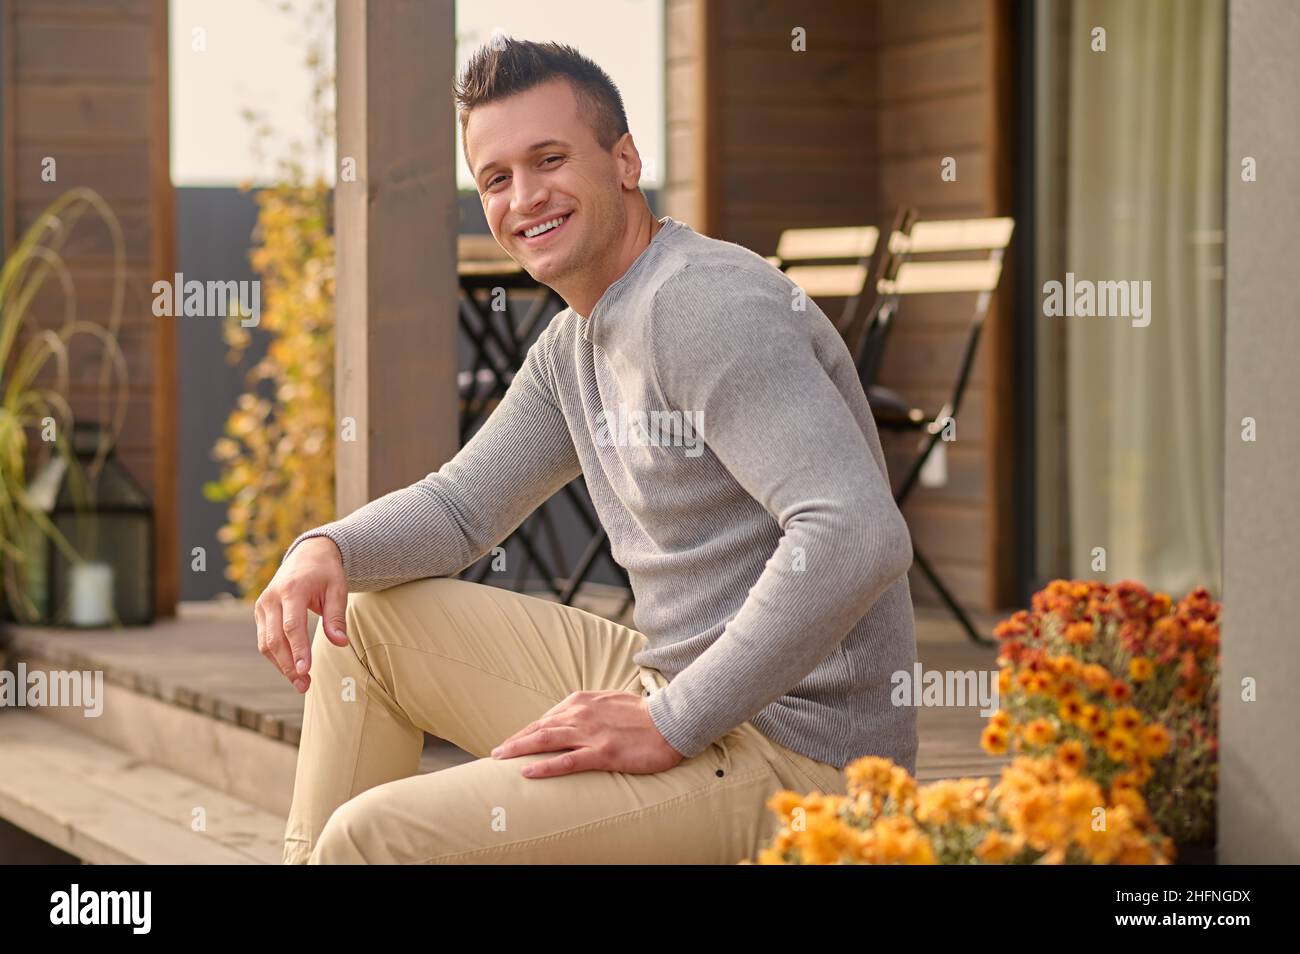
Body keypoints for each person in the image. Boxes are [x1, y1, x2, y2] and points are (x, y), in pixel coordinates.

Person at [263, 37, 918, 865]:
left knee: (374, 838)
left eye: (549, 159)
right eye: (497, 179)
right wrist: (325, 547)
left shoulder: (703, 306)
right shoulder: (575, 342)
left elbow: (857, 533)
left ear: (625, 161)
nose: (524, 196)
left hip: (801, 763)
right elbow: (462, 509)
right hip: (676, 686)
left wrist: (670, 721)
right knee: (356, 614)